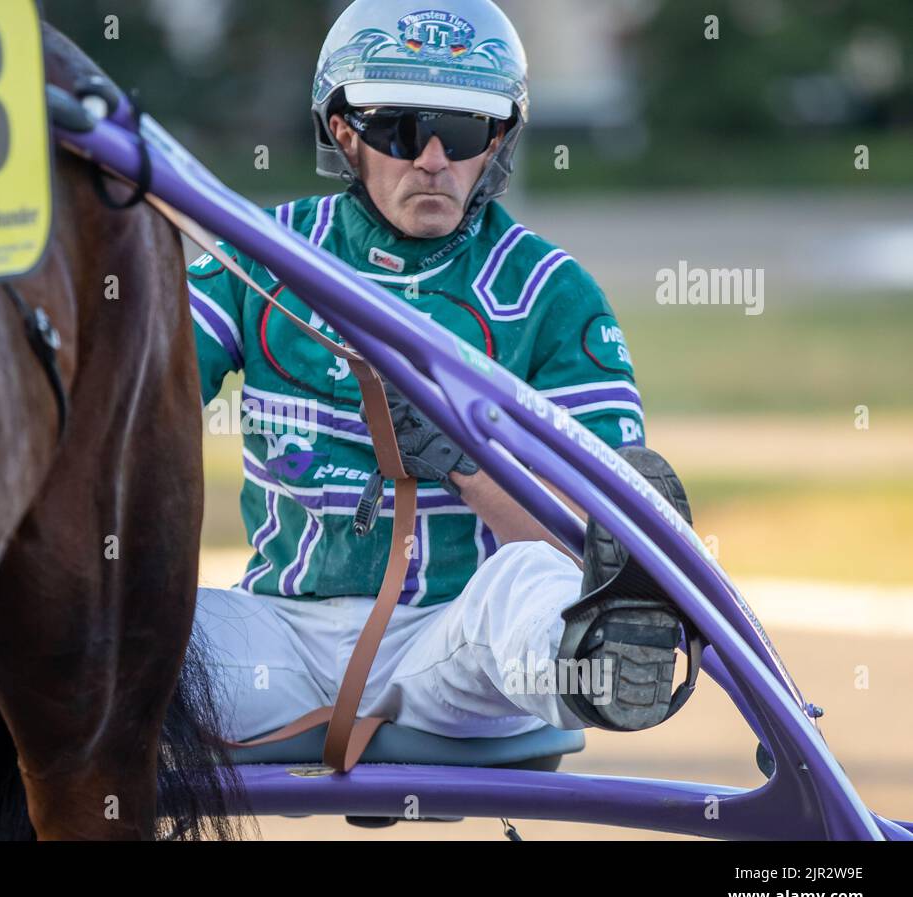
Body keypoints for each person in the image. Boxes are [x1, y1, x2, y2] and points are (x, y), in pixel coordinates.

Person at [187, 0, 696, 745]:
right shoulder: (257, 256)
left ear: (496, 141)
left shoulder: (552, 293)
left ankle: (602, 671)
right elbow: (126, 415)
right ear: (344, 132)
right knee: (118, 612)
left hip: (455, 647)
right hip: (272, 637)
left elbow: (589, 554)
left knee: (532, 588)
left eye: (459, 132)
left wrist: (466, 464)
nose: (432, 159)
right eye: (399, 128)